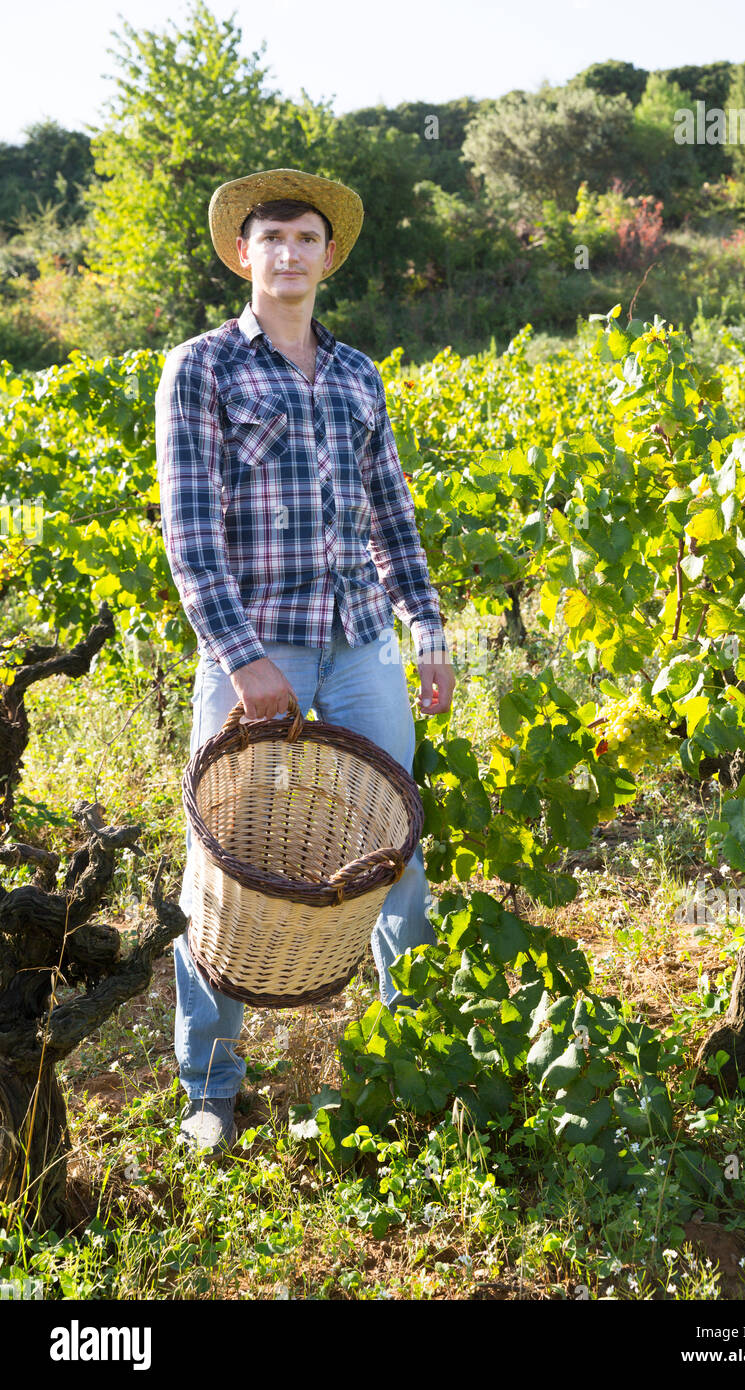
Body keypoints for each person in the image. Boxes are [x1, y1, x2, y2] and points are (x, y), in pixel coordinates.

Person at [155, 167, 455, 1154]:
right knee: (226, 861)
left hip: (360, 648)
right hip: (256, 651)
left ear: (328, 257)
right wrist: (242, 662)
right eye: (270, 238)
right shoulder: (199, 369)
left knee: (392, 852)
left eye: (305, 239)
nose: (287, 254)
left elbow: (391, 517)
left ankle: (406, 1056)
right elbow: (192, 540)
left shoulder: (359, 374)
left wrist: (427, 631)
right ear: (244, 255)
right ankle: (210, 1086)